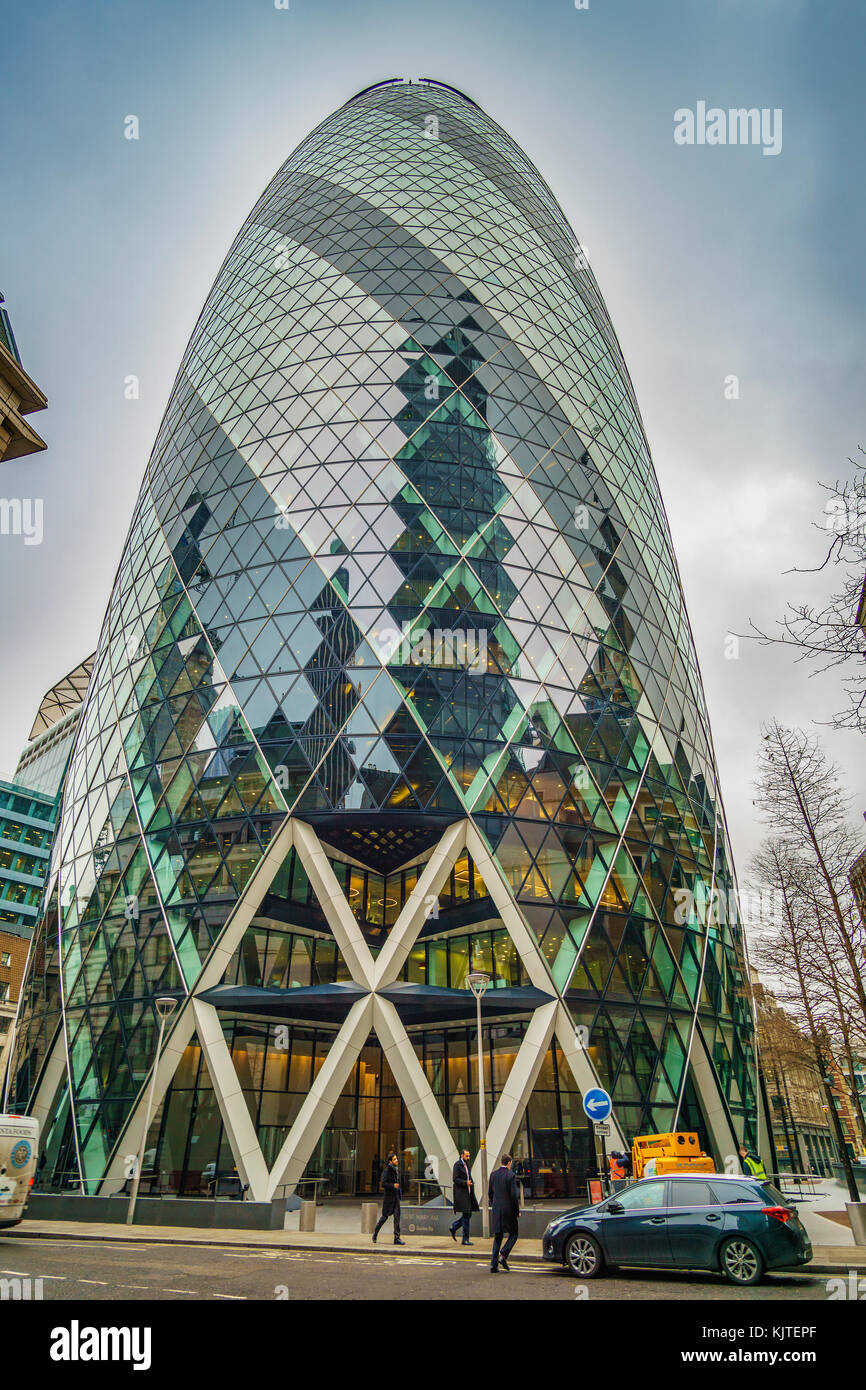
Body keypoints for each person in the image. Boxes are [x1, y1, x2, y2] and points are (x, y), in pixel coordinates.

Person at [488, 1152, 520, 1272]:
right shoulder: (510, 1175)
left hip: (497, 1210)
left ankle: (493, 1265)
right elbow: (513, 1196)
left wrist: (494, 1204)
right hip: (508, 1210)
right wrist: (516, 1211)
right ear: (509, 1163)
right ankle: (504, 1254)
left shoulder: (493, 1175)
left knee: (498, 1237)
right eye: (510, 1163)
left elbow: (490, 1193)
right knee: (514, 1233)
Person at [373, 1152, 405, 1245]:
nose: (397, 1160)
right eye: (395, 1159)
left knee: (397, 1218)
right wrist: (393, 1185)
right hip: (389, 1198)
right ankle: (375, 1233)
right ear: (390, 1161)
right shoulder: (387, 1171)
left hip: (396, 1198)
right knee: (384, 1217)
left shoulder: (396, 1170)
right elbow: (383, 1183)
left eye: (396, 1159)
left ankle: (397, 1238)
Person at [449, 1149, 479, 1245]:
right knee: (467, 1215)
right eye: (467, 1156)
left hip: (468, 1193)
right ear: (462, 1156)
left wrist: (471, 1182)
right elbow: (455, 1179)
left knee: (468, 1215)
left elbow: (468, 1176)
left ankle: (454, 1226)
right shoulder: (457, 1165)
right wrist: (465, 1183)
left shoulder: (466, 1165)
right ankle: (465, 1239)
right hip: (462, 1194)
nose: (468, 1158)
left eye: (469, 1156)